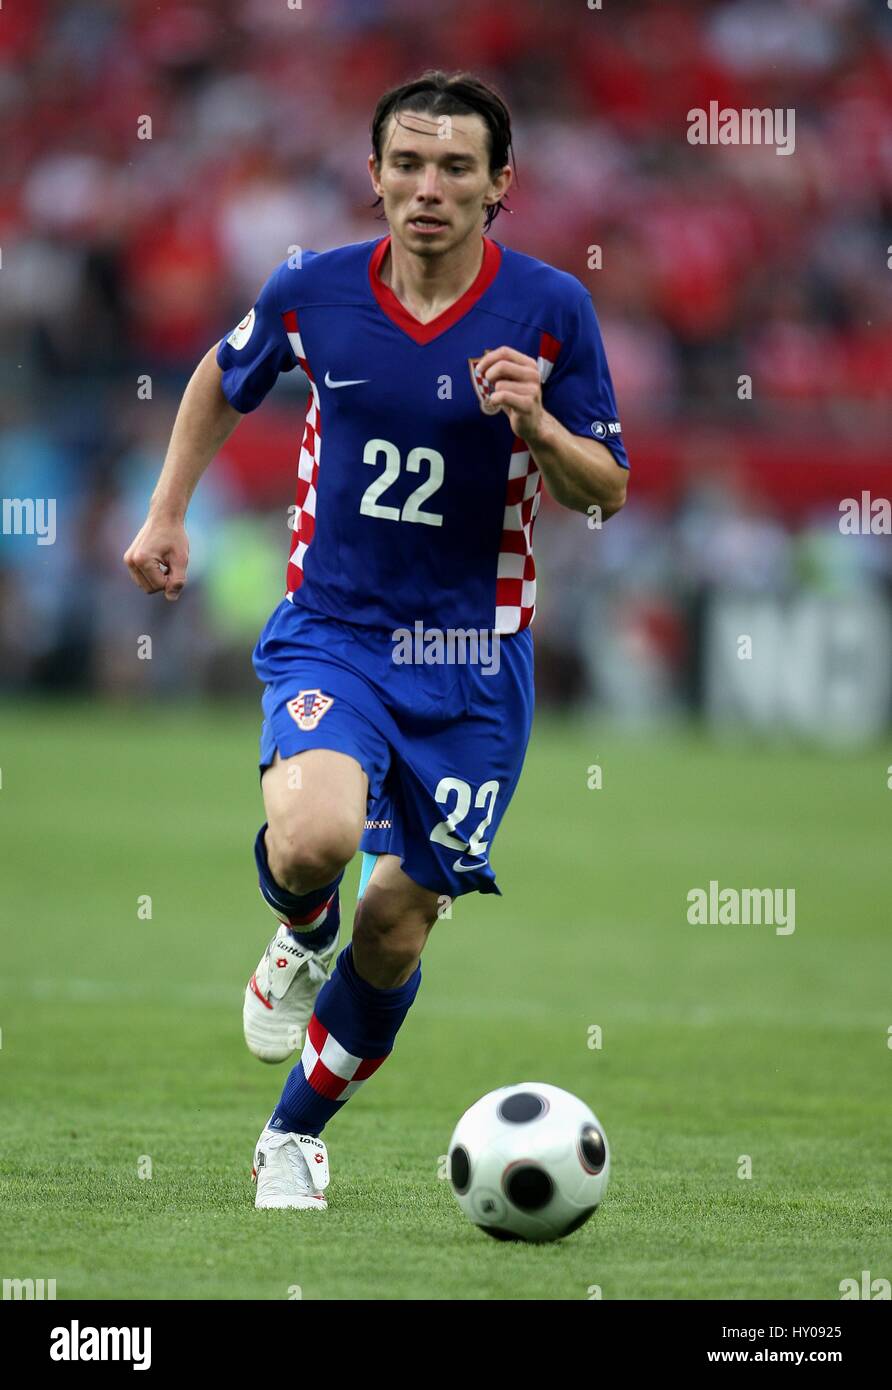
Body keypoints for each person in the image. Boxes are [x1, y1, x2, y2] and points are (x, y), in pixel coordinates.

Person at [123, 69, 629, 1211]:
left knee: (397, 922)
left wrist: (539, 422)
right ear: (373, 177)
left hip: (472, 664)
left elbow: (607, 488)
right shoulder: (314, 289)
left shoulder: (551, 310)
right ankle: (298, 932)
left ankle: (291, 1134)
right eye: (406, 163)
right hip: (336, 631)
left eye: (456, 167)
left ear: (501, 184)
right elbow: (221, 373)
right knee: (314, 842)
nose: (427, 187)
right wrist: (164, 515)